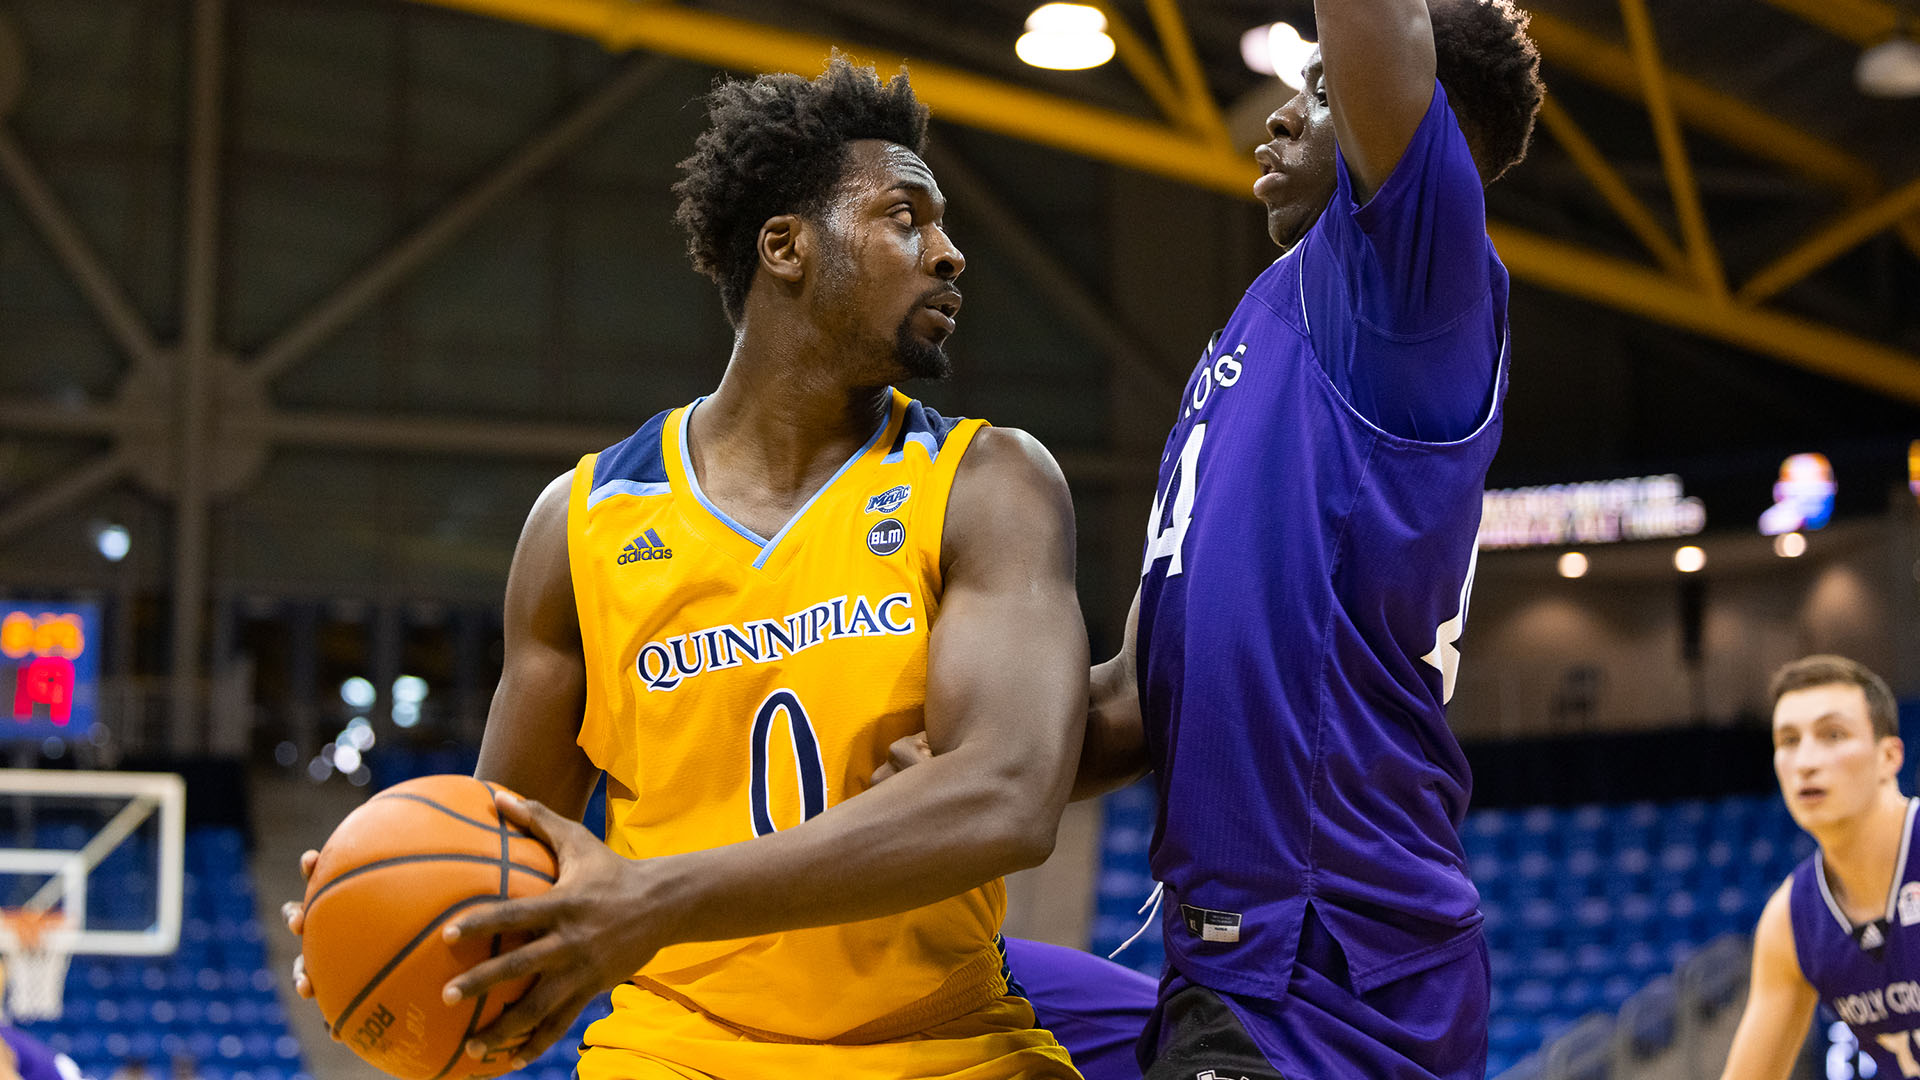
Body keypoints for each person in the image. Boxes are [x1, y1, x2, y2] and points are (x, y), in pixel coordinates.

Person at [290, 57, 1088, 1079]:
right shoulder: (582, 524)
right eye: (906, 217)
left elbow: (1008, 796)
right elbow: (506, 865)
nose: (949, 252)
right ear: (786, 246)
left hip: (945, 1045)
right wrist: (386, 920)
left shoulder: (987, 482)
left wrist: (656, 899)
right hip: (674, 1053)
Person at [885, 2, 1542, 1076]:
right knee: (885, 991)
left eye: (1322, 90)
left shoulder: (1405, 291)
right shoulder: (1261, 334)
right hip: (1216, 969)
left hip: (1332, 972)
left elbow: (1380, 34)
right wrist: (937, 767)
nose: (1281, 115)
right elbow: (1130, 699)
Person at [1721, 656, 1919, 1079]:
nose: (1806, 761)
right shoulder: (1791, 921)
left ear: (1888, 757)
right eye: (1789, 740)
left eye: (1833, 734)